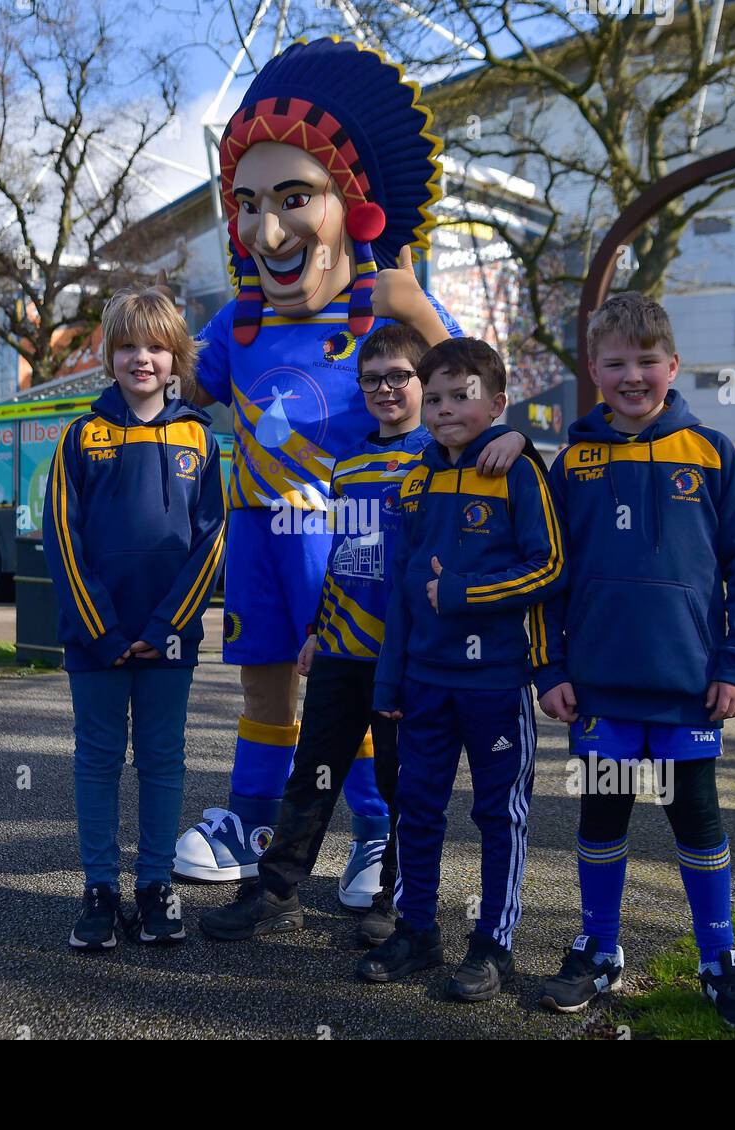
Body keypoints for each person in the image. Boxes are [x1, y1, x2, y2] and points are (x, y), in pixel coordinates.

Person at [173, 38, 529, 899]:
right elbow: (181, 386)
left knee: (362, 691)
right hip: (259, 534)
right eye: (249, 204)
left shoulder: (387, 303)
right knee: (265, 686)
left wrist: (505, 434)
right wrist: (132, 347)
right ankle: (255, 816)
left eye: (295, 199)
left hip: (357, 534)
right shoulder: (235, 325)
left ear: (353, 202)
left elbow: (466, 385)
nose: (268, 232)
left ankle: (374, 833)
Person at [533, 292, 735, 1030]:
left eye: (647, 361)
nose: (633, 375)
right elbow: (548, 573)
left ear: (672, 366)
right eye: (616, 363)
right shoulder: (572, 462)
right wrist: (551, 669)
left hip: (687, 692)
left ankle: (719, 958)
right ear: (593, 372)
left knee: (695, 819)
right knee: (602, 817)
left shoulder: (711, 453)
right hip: (600, 691)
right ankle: (599, 948)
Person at [200, 323, 441, 948]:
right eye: (372, 379)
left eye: (399, 378)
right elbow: (339, 555)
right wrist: (313, 630)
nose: (385, 389)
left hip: (404, 656)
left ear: (422, 382)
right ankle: (276, 893)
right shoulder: (350, 462)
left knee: (400, 784)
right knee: (312, 775)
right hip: (339, 647)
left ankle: (397, 899)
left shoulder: (438, 460)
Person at [356, 337, 567, 1002]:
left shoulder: (515, 471)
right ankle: (417, 929)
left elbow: (549, 567)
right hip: (423, 682)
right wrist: (389, 679)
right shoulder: (416, 477)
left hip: (496, 684)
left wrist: (465, 594)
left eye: (462, 396)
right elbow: (400, 587)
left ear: (498, 403)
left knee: (499, 812)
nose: (445, 409)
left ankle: (493, 945)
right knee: (415, 808)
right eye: (437, 396)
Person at [44, 285, 225, 951]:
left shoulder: (201, 440)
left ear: (176, 357)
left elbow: (212, 543)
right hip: (97, 639)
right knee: (96, 758)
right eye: (127, 346)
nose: (141, 358)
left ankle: (154, 886)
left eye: (155, 346)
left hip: (167, 639)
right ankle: (99, 887)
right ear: (109, 356)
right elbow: (62, 538)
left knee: (160, 757)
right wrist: (104, 628)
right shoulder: (79, 436)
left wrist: (165, 627)